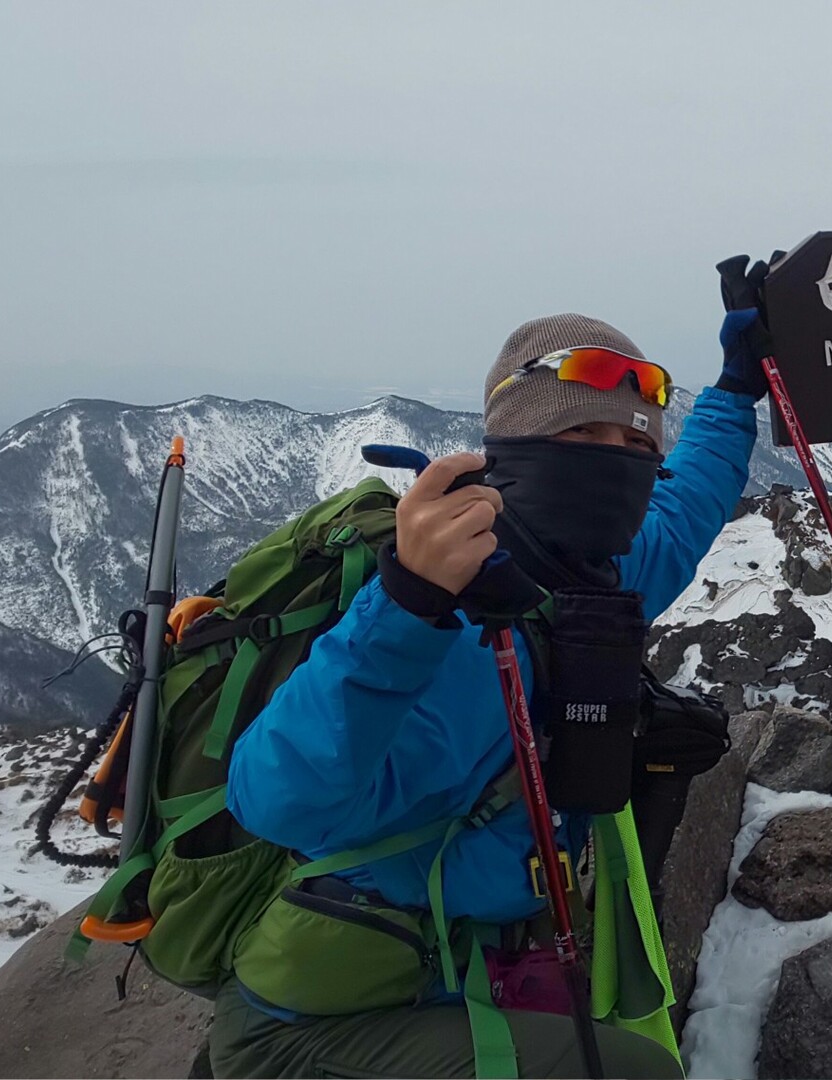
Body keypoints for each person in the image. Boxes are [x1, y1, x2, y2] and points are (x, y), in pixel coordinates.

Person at [210, 292, 775, 1078]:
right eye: (582, 433)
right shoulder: (439, 616)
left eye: (632, 442)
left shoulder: (590, 578)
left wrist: (735, 393)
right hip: (332, 1016)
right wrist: (407, 604)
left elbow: (685, 507)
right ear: (516, 444)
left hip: (468, 980)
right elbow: (274, 799)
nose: (616, 459)